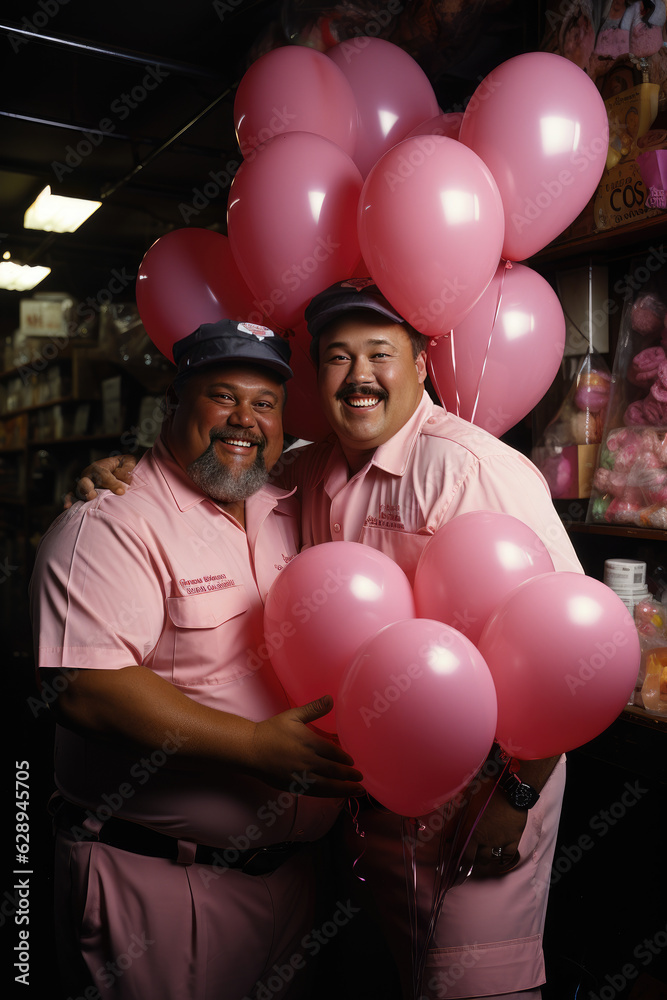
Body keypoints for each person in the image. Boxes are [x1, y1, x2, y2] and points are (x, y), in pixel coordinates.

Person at [70, 280, 584, 1000]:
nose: (359, 375)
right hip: (364, 816)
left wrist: (516, 798)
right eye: (337, 358)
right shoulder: (303, 470)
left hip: (479, 806)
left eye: (379, 353)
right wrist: (128, 468)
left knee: (474, 988)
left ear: (423, 362)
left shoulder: (469, 468)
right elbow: (218, 457)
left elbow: (567, 652)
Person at [30, 319, 364, 1000]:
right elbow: (85, 690)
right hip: (157, 883)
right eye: (222, 396)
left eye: (265, 403)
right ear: (173, 403)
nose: (245, 419)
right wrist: (250, 745)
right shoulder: (111, 522)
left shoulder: (293, 507)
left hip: (293, 882)